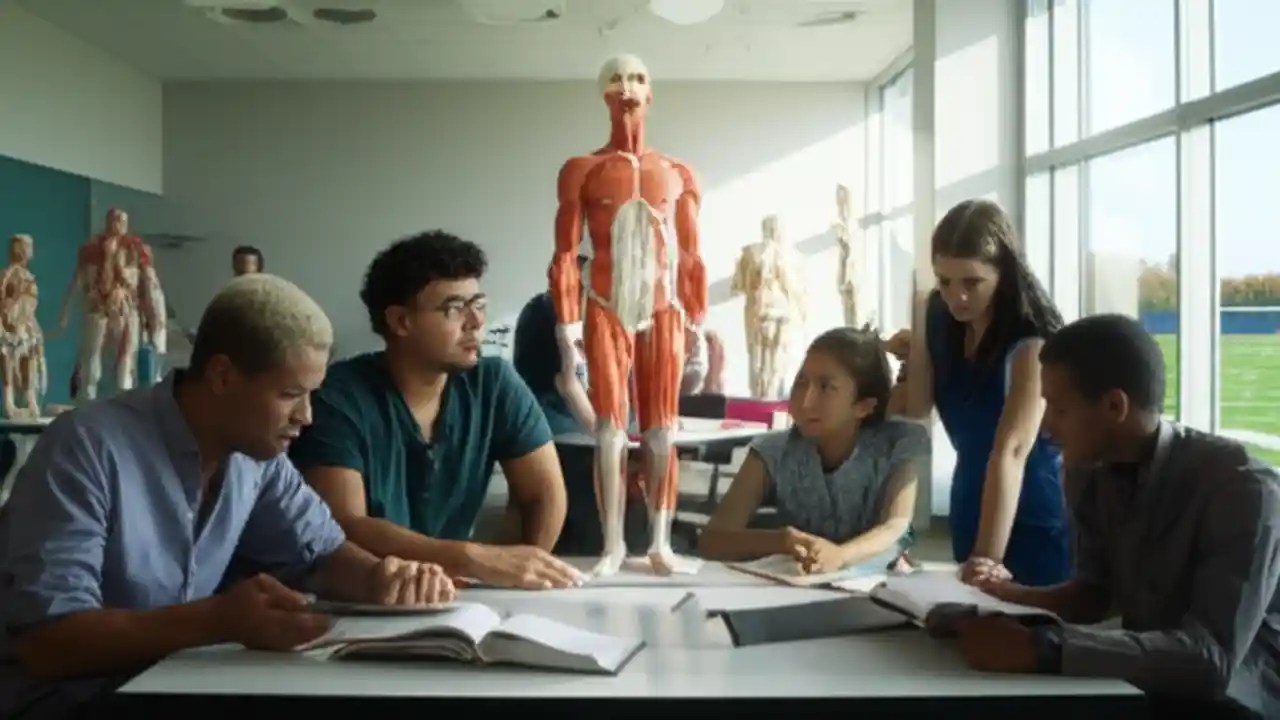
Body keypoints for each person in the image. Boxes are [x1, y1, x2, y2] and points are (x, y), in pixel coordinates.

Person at [0, 273, 454, 720]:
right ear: (222, 375)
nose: (307, 416)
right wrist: (219, 620)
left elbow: (321, 556)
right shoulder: (87, 447)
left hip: (179, 686)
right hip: (68, 701)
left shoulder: (257, 455)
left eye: (312, 394)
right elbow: (46, 642)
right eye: (290, 394)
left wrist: (383, 578)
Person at [953, 313, 1280, 719]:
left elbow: (1209, 660)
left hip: (1242, 701)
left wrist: (1042, 648)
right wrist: (1005, 597)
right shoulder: (1086, 468)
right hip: (1148, 686)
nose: (1047, 428)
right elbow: (1096, 593)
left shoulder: (1243, 490)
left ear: (1114, 406)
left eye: (1058, 408)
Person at [289, 231, 583, 591]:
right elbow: (345, 525)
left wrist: (517, 574)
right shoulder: (339, 398)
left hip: (456, 600)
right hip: (363, 597)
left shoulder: (494, 384)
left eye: (479, 304)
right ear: (400, 322)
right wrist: (471, 558)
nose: (475, 322)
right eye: (454, 309)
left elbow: (544, 494)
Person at [902, 199, 1069, 587]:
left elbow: (1011, 452)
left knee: (1025, 634)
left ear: (1004, 273)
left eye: (972, 282)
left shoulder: (1031, 344)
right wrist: (914, 345)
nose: (956, 296)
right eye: (944, 281)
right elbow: (917, 406)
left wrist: (986, 560)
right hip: (970, 500)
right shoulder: (933, 311)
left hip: (1031, 512)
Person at [699, 326, 928, 575]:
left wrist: (841, 555)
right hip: (800, 587)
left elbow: (896, 526)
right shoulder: (773, 451)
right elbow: (713, 540)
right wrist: (780, 541)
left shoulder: (897, 446)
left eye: (826, 387)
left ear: (864, 406)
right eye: (801, 382)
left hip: (879, 586)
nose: (805, 401)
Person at [512, 254, 595, 436]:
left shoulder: (587, 316)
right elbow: (567, 385)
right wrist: (600, 433)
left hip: (572, 400)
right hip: (551, 408)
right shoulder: (546, 313)